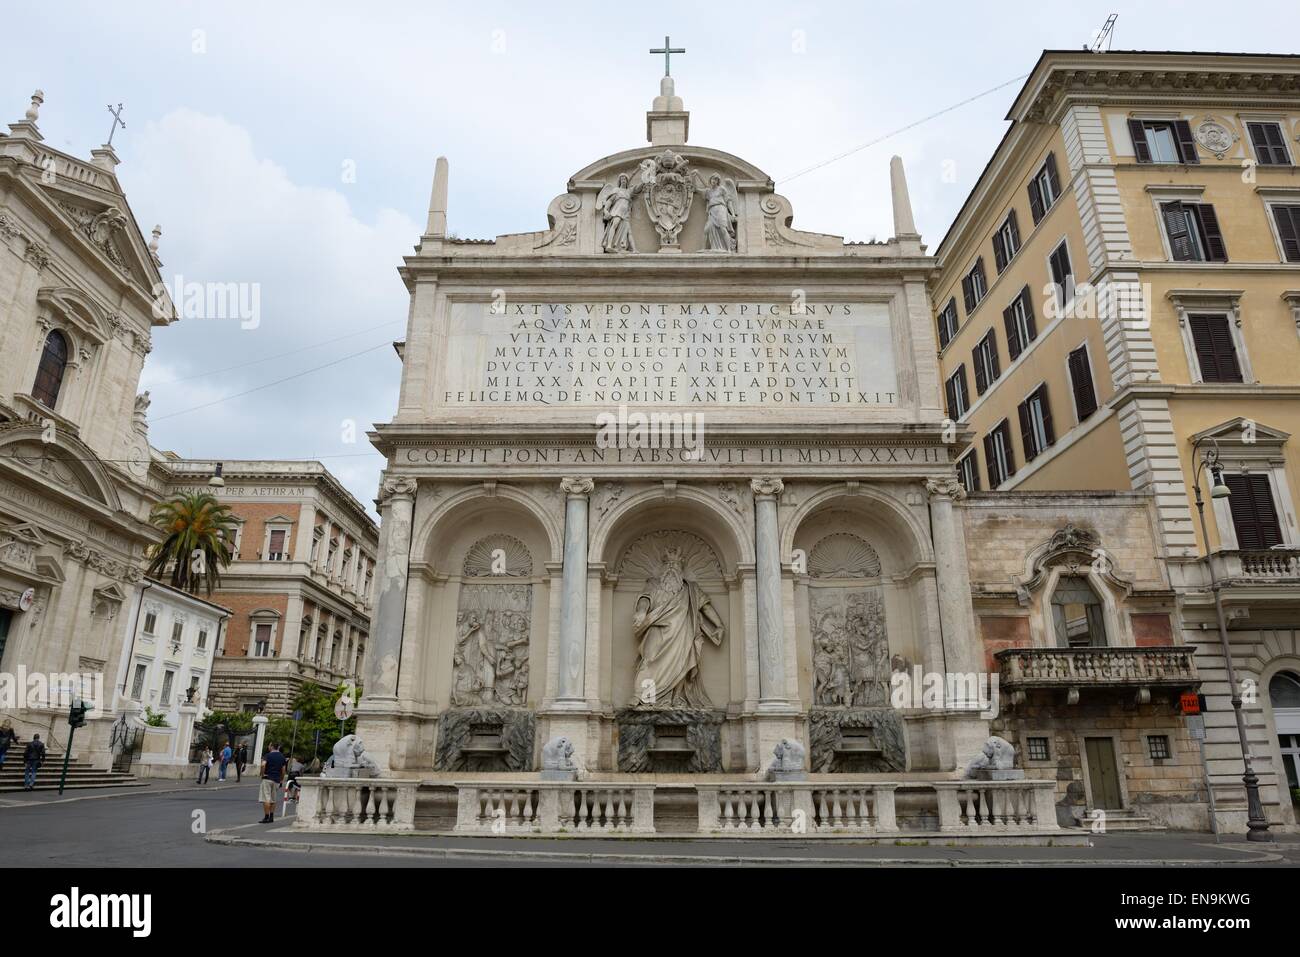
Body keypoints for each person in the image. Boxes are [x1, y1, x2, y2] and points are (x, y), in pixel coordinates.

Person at [258, 743, 287, 824]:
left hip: (267, 778)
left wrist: (262, 774)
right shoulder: (282, 757)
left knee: (266, 798)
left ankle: (266, 817)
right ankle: (271, 817)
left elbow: (263, 765)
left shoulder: (267, 755)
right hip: (277, 779)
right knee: (273, 799)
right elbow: (283, 769)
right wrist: (281, 779)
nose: (268, 747)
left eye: (269, 745)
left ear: (271, 747)